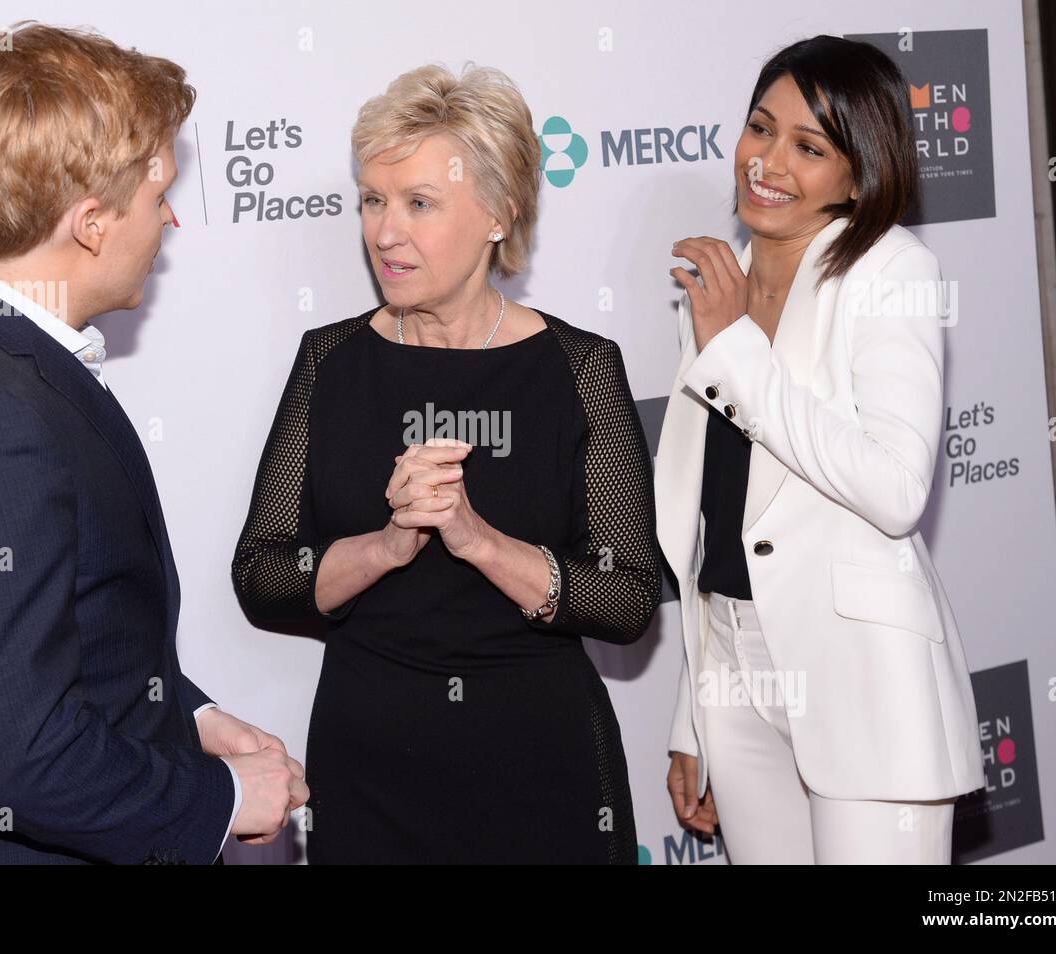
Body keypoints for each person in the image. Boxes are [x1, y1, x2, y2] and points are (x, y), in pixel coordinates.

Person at [0, 22, 306, 864]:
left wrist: (182, 715)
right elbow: (24, 761)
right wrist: (224, 797)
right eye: (158, 197)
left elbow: (55, 636)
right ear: (89, 224)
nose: (171, 222)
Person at [232, 63, 662, 863]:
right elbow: (261, 575)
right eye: (373, 199)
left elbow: (629, 596)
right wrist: (388, 546)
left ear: (498, 213)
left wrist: (477, 540)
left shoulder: (580, 367)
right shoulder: (329, 361)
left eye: (419, 203)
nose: (384, 231)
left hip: (544, 770)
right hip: (370, 776)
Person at [654, 35, 984, 864]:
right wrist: (694, 711)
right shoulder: (721, 281)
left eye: (809, 147)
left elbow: (897, 486)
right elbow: (712, 518)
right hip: (732, 659)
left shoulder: (889, 271)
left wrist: (736, 353)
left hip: (862, 678)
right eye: (760, 128)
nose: (767, 161)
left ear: (859, 171)